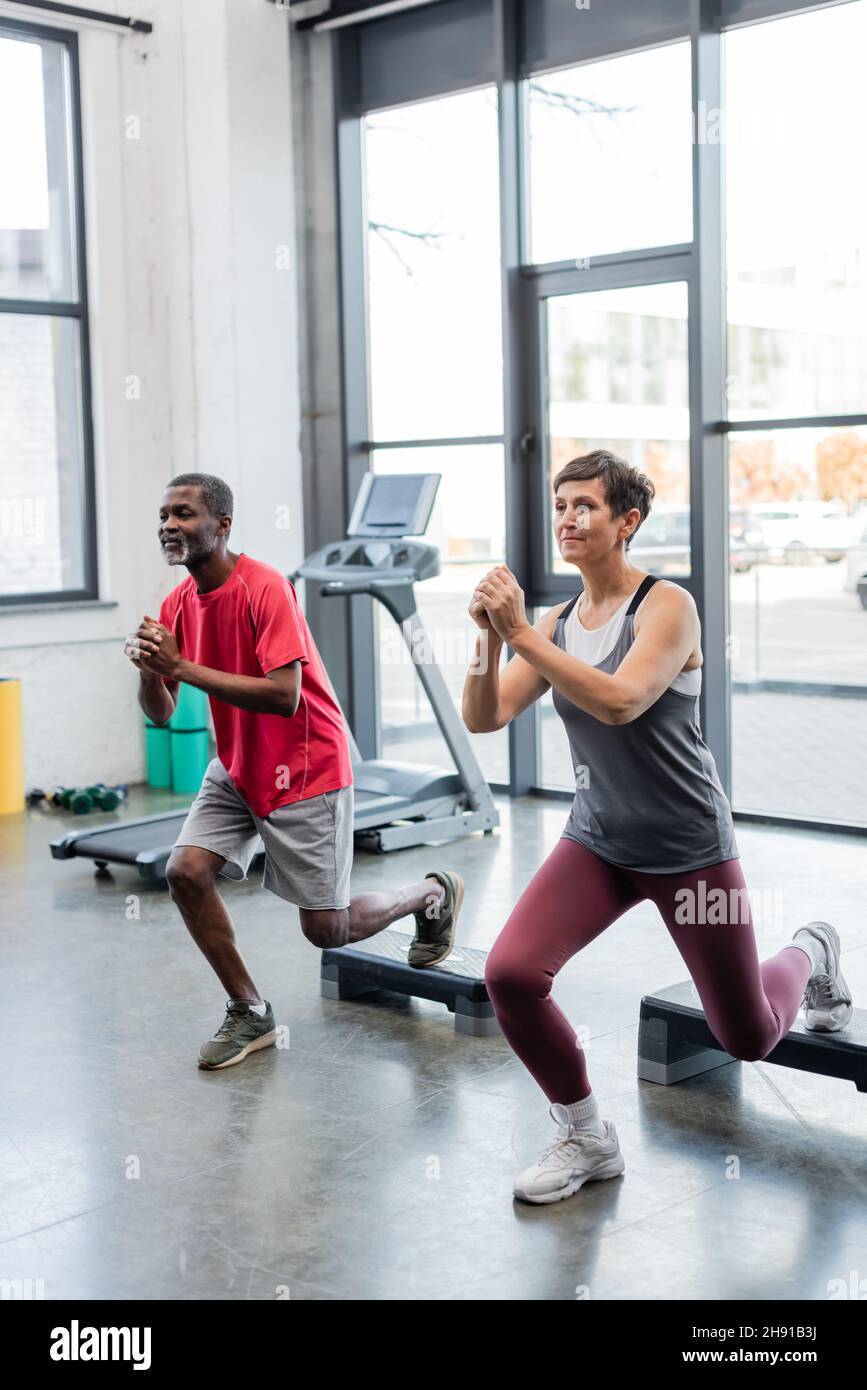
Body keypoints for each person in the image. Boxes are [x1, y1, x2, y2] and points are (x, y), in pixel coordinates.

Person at [462, 449, 853, 1206]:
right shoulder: (555, 623)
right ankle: (584, 1134)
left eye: (585, 506)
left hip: (688, 849)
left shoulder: (666, 607)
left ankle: (810, 949)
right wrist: (486, 635)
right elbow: (486, 715)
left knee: (747, 1037)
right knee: (509, 974)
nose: (567, 519)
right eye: (560, 504)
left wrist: (520, 635)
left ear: (626, 523)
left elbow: (619, 701)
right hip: (599, 841)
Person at [124, 472, 463, 1070]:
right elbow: (164, 711)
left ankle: (432, 893)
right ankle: (249, 1010)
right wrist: (154, 671)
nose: (168, 526)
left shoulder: (267, 588)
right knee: (185, 871)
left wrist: (183, 665)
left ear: (221, 525)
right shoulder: (177, 603)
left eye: (183, 514)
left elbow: (284, 695)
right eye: (163, 516)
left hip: (304, 767)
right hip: (237, 764)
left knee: (326, 931)